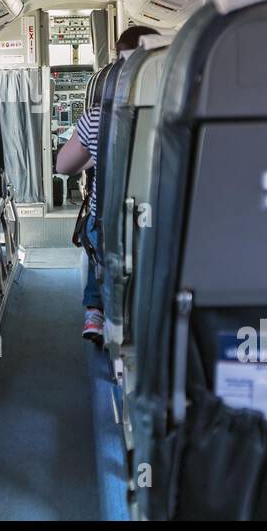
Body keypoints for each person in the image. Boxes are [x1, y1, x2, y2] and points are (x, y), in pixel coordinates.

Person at [55, 25, 159, 343]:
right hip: (169, 225)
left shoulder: (99, 117)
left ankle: (95, 310)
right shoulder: (187, 112)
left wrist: (95, 155)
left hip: (113, 225)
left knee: (95, 225)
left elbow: (63, 166)